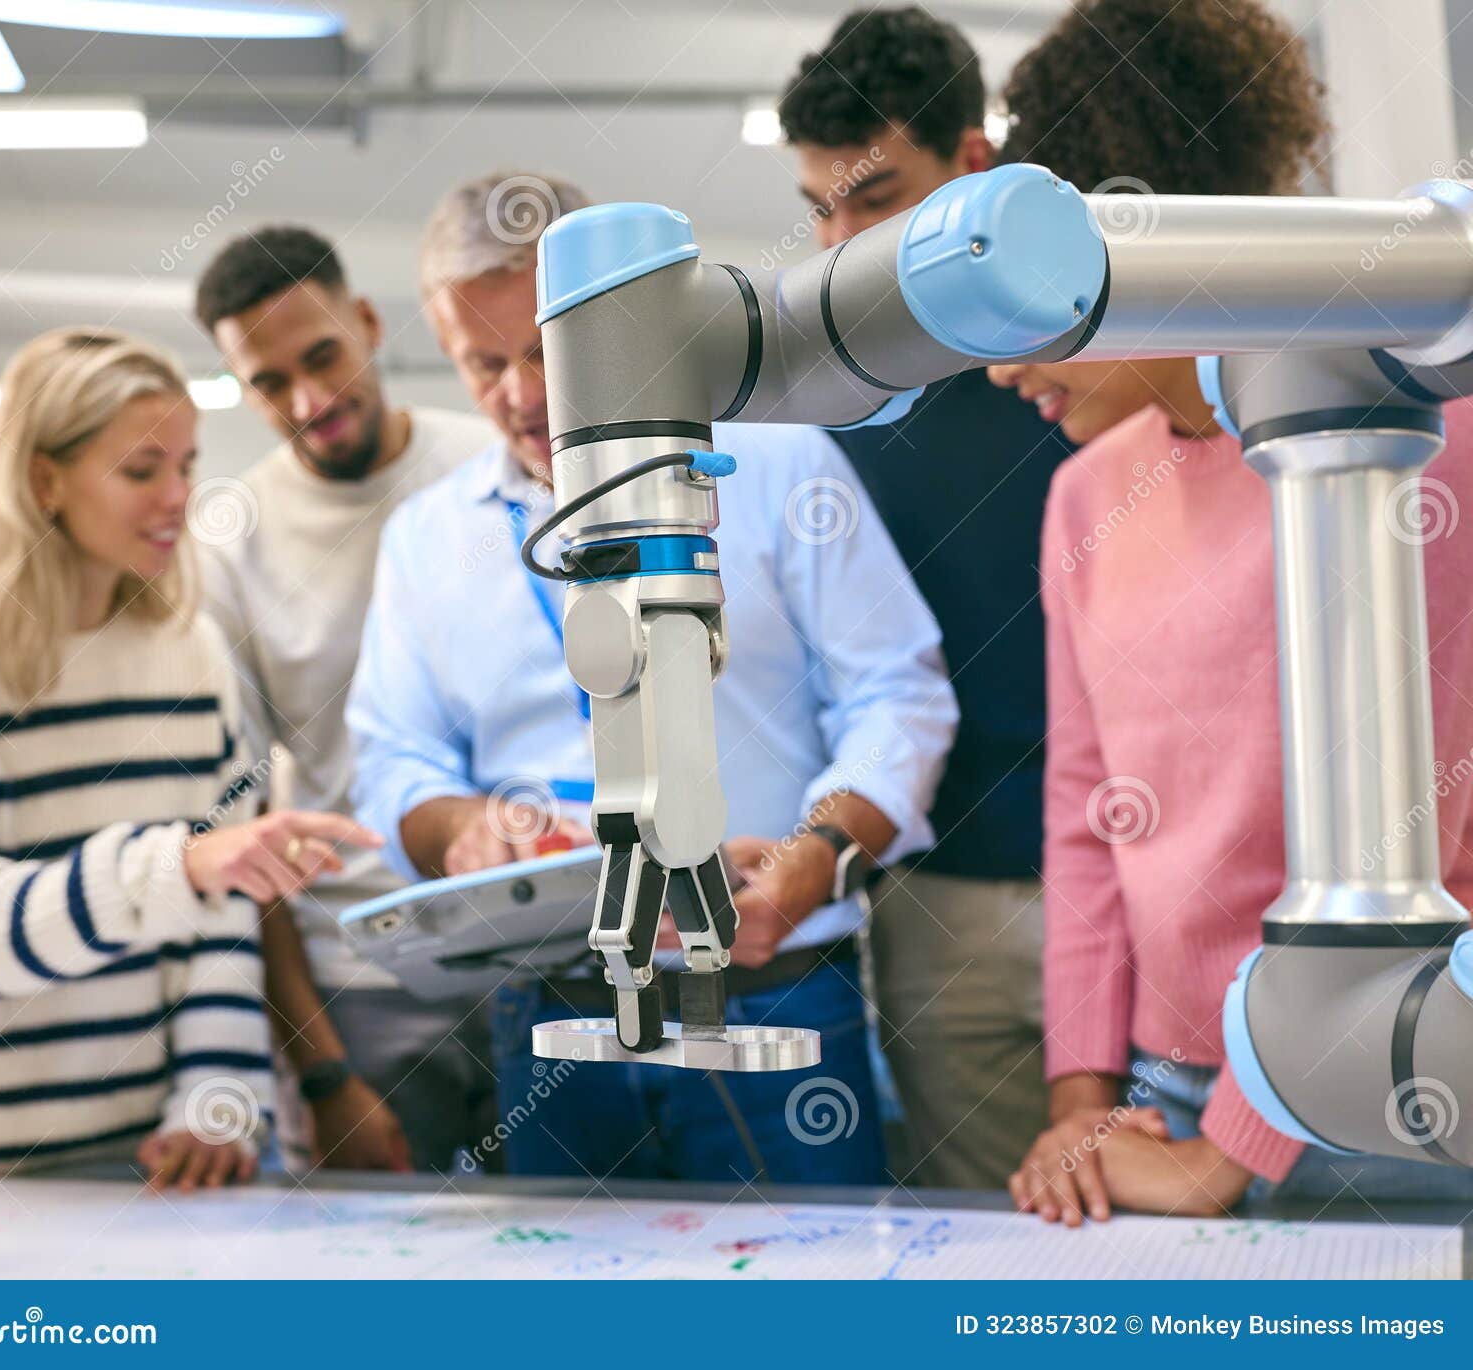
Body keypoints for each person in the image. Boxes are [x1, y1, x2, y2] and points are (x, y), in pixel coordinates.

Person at [346, 171, 956, 1184]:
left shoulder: (779, 462)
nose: (524, 394)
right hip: (550, 1011)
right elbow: (391, 758)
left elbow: (898, 695)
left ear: (610, 331)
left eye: (545, 352)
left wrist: (812, 858)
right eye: (481, 362)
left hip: (776, 987)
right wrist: (458, 827)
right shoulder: (425, 539)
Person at [990, 0, 1473, 1220]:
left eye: (1022, 307)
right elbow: (1083, 818)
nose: (997, 366)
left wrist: (1229, 1149)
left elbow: (1429, 836)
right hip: (1164, 1085)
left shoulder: (1410, 450)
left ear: (1137, 242)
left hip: (1372, 1091)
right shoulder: (1086, 495)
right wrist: (1077, 1106)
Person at [0, 328, 376, 1195]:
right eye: (142, 472)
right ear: (43, 479)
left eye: (187, 465)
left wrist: (216, 1097)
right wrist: (178, 863)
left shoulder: (189, 653)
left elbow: (223, 911)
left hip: (151, 1169)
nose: (179, 497)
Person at [777, 6, 1074, 1189]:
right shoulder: (813, 414)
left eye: (878, 197)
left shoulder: (1090, 360)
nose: (845, 242)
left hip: (1148, 894)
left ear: (974, 169)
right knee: (991, 1248)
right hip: (935, 909)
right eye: (822, 209)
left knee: (1192, 1251)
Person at [193, 227, 497, 1174]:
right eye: (270, 382)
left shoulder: (491, 464)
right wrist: (322, 1078)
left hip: (543, 953)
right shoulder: (230, 544)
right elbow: (240, 829)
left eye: (322, 356)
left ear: (367, 324)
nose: (309, 401)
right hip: (363, 980)